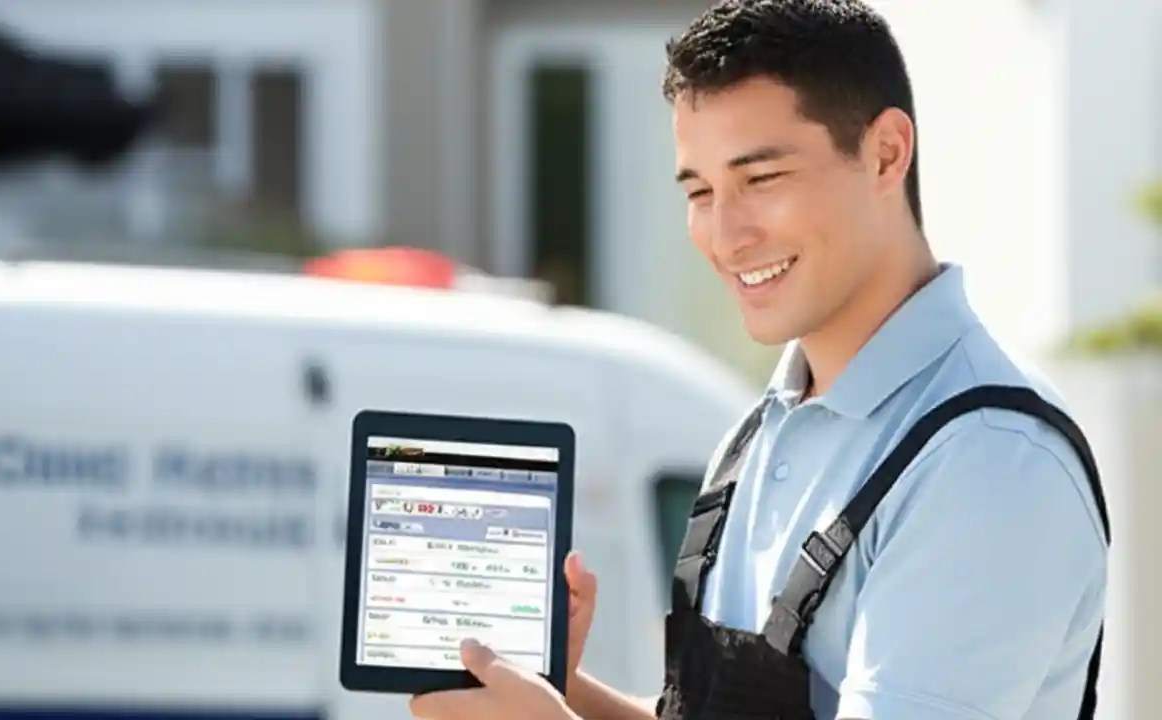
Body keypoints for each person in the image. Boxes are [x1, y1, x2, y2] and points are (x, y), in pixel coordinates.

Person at [409, 1, 1110, 718]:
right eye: (701, 191)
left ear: (886, 153)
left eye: (762, 178)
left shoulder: (990, 462)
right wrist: (562, 692)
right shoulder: (757, 434)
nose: (726, 233)